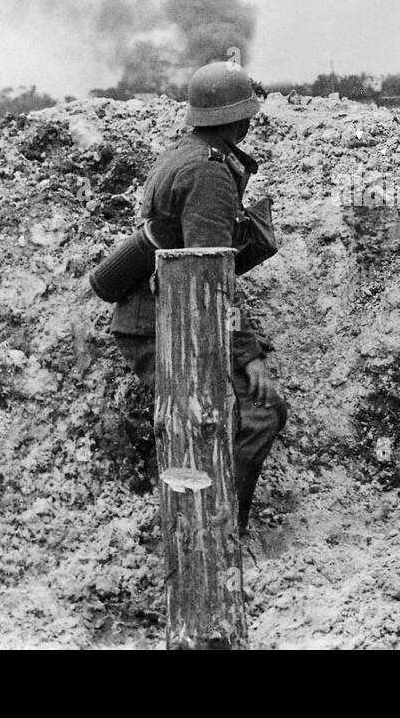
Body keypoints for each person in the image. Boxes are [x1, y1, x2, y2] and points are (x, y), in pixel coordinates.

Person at [109, 61, 287, 533]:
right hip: (169, 319)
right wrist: (247, 356)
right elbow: (210, 276)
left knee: (204, 418)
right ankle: (217, 528)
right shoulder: (209, 173)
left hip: (158, 313)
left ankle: (205, 522)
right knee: (255, 412)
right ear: (241, 116)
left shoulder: (184, 153)